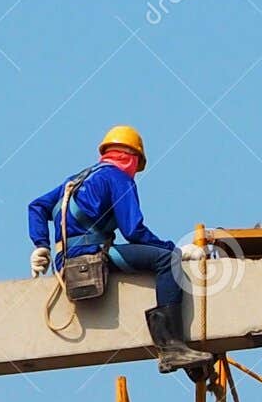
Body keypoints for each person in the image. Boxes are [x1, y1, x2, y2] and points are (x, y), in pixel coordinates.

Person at [27, 124, 212, 376]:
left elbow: (37, 206)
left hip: (66, 262)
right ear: (134, 158)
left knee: (154, 257)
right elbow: (134, 231)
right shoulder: (117, 178)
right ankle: (171, 348)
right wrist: (176, 250)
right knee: (166, 261)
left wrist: (41, 245)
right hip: (92, 258)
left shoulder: (76, 179)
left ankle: (186, 359)